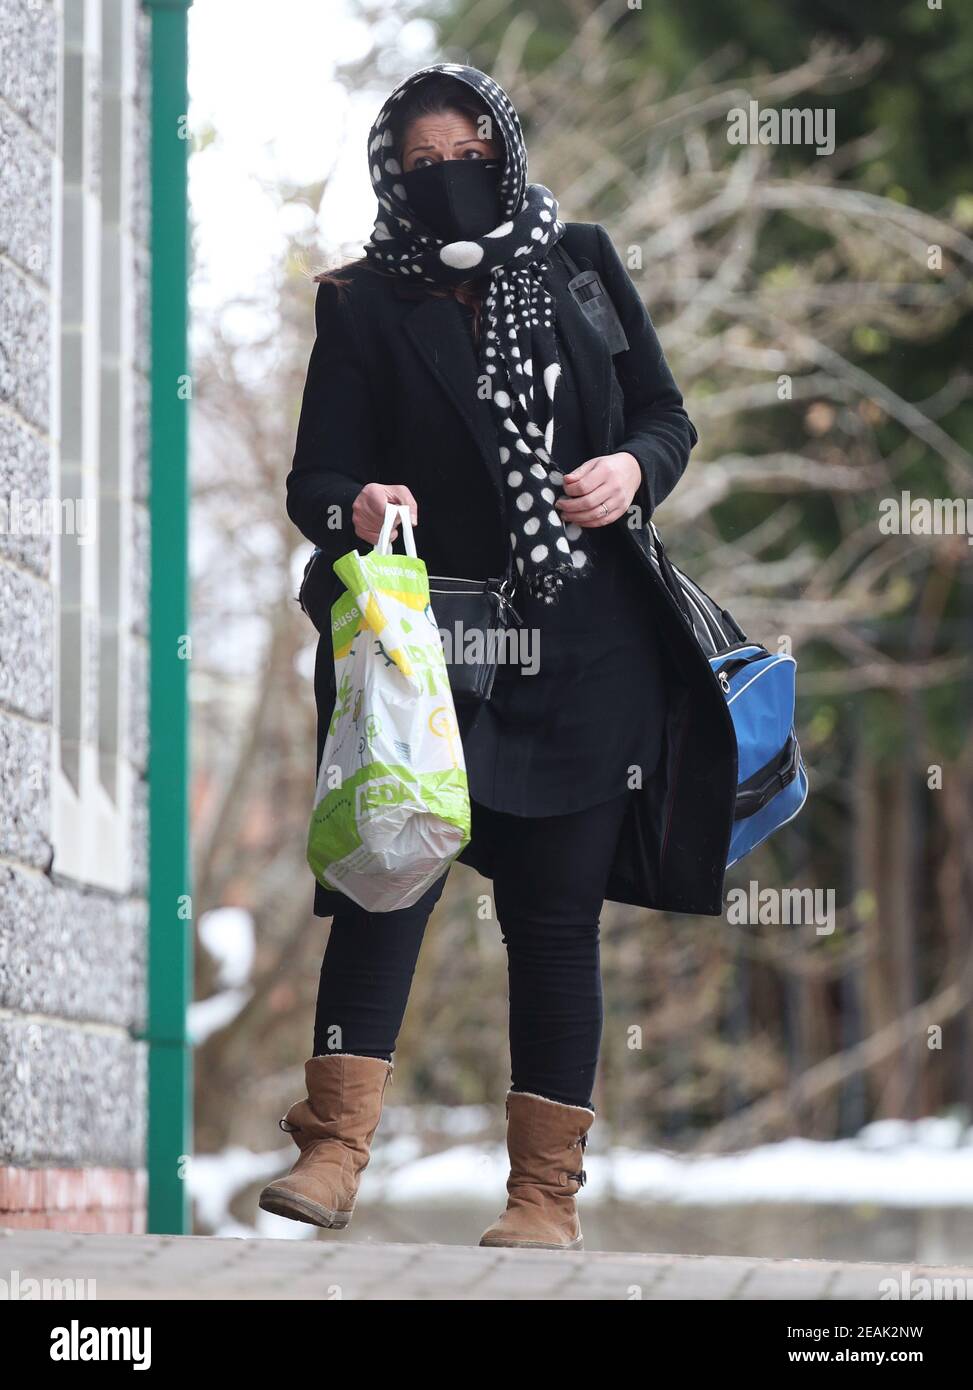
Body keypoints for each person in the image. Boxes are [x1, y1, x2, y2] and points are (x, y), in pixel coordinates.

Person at [260, 63, 736, 1250]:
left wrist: (631, 470)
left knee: (555, 919)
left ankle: (541, 1199)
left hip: (586, 651)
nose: (447, 174)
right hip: (425, 649)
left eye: (465, 147)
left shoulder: (580, 261)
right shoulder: (363, 301)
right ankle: (331, 1150)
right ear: (392, 175)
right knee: (386, 881)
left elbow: (664, 418)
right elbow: (311, 485)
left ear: (505, 147)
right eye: (420, 163)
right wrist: (355, 509)